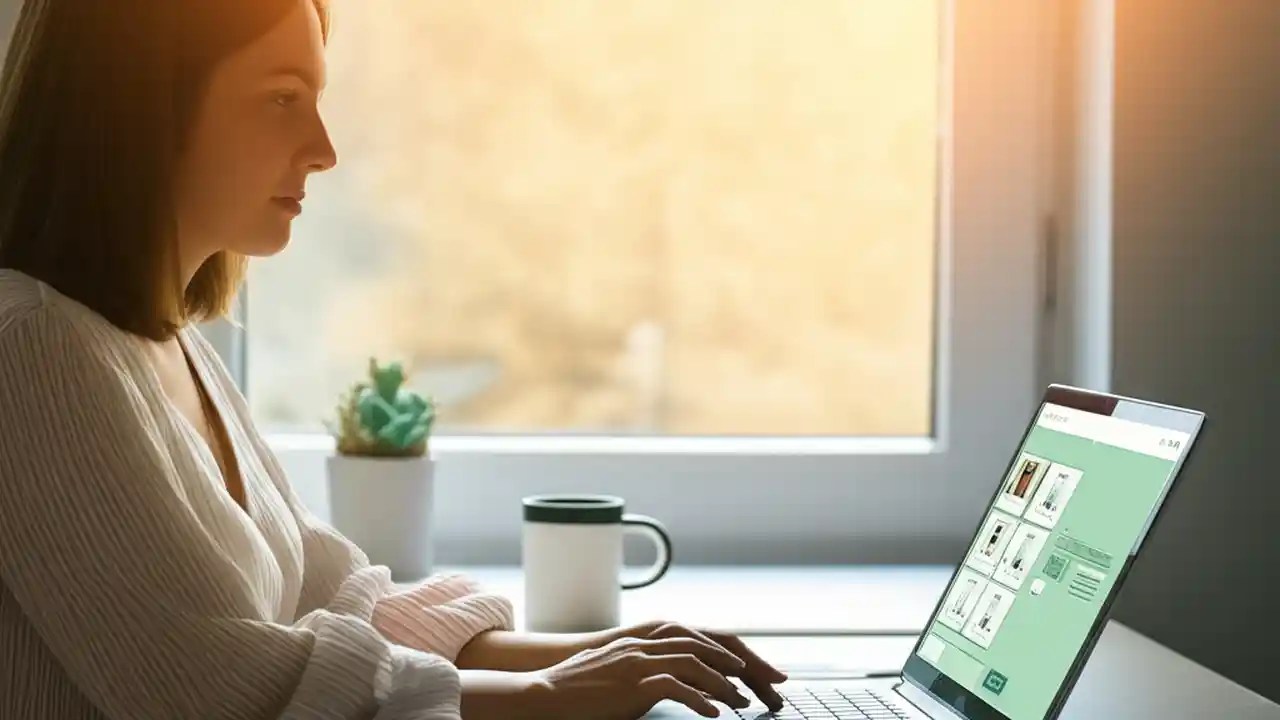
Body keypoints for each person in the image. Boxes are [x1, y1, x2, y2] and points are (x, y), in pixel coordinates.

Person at [0, 1, 788, 718]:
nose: (323, 149)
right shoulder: (36, 352)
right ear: (141, 110)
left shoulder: (161, 345)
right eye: (282, 99)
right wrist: (547, 694)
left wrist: (592, 655)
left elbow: (331, 598)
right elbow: (215, 688)